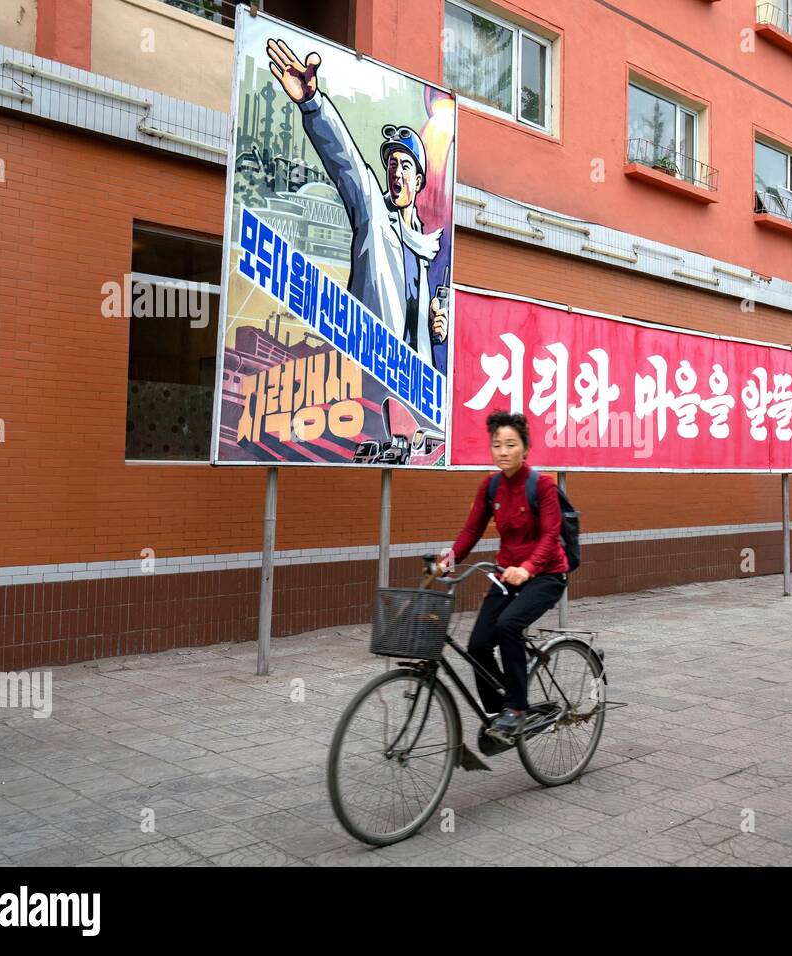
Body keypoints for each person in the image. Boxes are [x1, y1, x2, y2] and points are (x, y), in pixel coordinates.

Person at [266, 39, 448, 369]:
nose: (396, 171)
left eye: (405, 166)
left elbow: (414, 325)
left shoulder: (424, 247)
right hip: (366, 369)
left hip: (411, 388)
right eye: (391, 164)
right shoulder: (374, 213)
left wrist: (435, 332)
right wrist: (312, 104)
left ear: (419, 181)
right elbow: (346, 160)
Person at [438, 411, 568, 743]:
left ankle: (517, 709)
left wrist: (528, 568)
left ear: (525, 449)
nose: (503, 451)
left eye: (511, 444)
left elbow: (551, 535)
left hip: (546, 575)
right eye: (497, 445)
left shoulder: (542, 485)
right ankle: (500, 712)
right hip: (506, 575)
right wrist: (449, 559)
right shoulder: (491, 486)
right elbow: (471, 530)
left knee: (508, 625)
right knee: (478, 644)